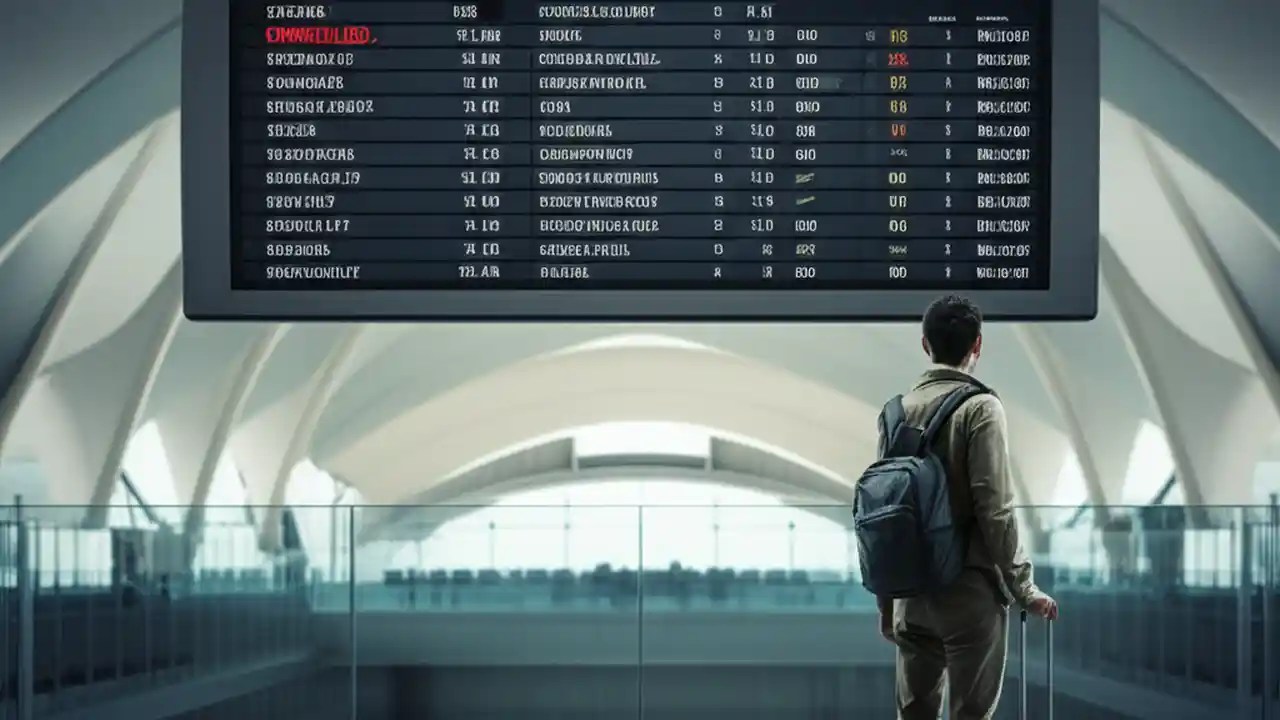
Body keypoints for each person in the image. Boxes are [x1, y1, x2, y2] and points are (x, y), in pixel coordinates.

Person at [880, 294, 1059, 719]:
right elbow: (994, 508)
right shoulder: (981, 408)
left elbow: (885, 516)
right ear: (977, 344)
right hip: (969, 594)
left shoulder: (895, 413)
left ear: (925, 344)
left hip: (911, 595)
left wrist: (887, 603)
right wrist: (1024, 588)